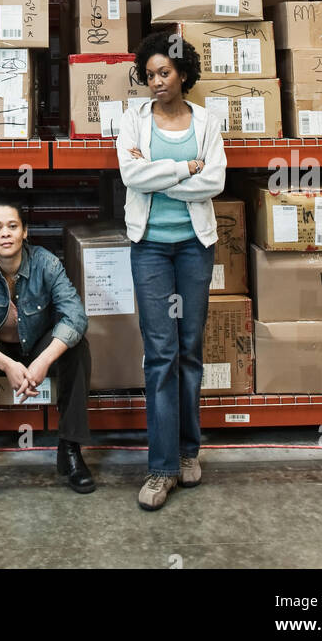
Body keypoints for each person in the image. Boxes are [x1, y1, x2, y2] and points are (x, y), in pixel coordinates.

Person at [116, 32, 226, 513]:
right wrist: (185, 170)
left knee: (189, 351)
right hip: (151, 250)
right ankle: (161, 468)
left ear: (183, 74)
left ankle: (187, 451)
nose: (156, 81)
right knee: (160, 354)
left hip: (194, 248)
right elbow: (131, 176)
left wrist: (162, 173)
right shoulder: (132, 120)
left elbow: (215, 181)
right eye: (150, 74)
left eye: (165, 72)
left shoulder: (206, 121)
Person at [0, 200, 94, 497]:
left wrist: (44, 361)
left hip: (36, 347)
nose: (5, 234)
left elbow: (75, 315)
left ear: (25, 231)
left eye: (12, 226)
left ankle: (70, 450)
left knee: (77, 347)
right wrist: (6, 365)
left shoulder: (46, 263)